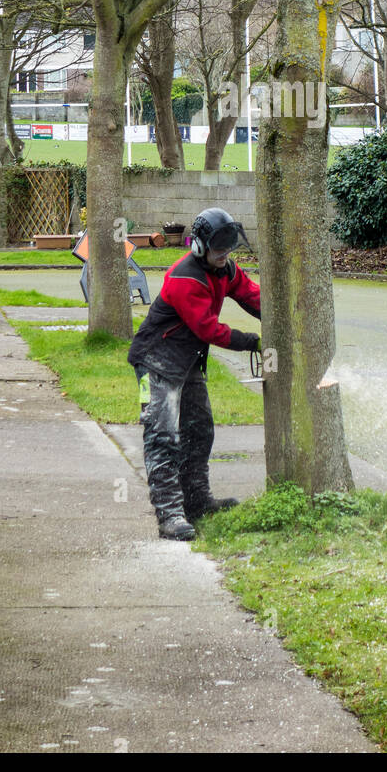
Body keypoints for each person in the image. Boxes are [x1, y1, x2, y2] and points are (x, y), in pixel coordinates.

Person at [128, 207, 261, 541]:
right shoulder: (185, 277)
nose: (225, 255)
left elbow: (251, 294)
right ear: (199, 245)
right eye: (218, 248)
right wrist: (252, 341)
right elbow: (207, 329)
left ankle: (198, 501)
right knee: (162, 438)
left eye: (229, 247)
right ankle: (170, 514)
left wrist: (280, 313)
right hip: (155, 362)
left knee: (200, 431)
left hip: (187, 363)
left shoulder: (225, 269)